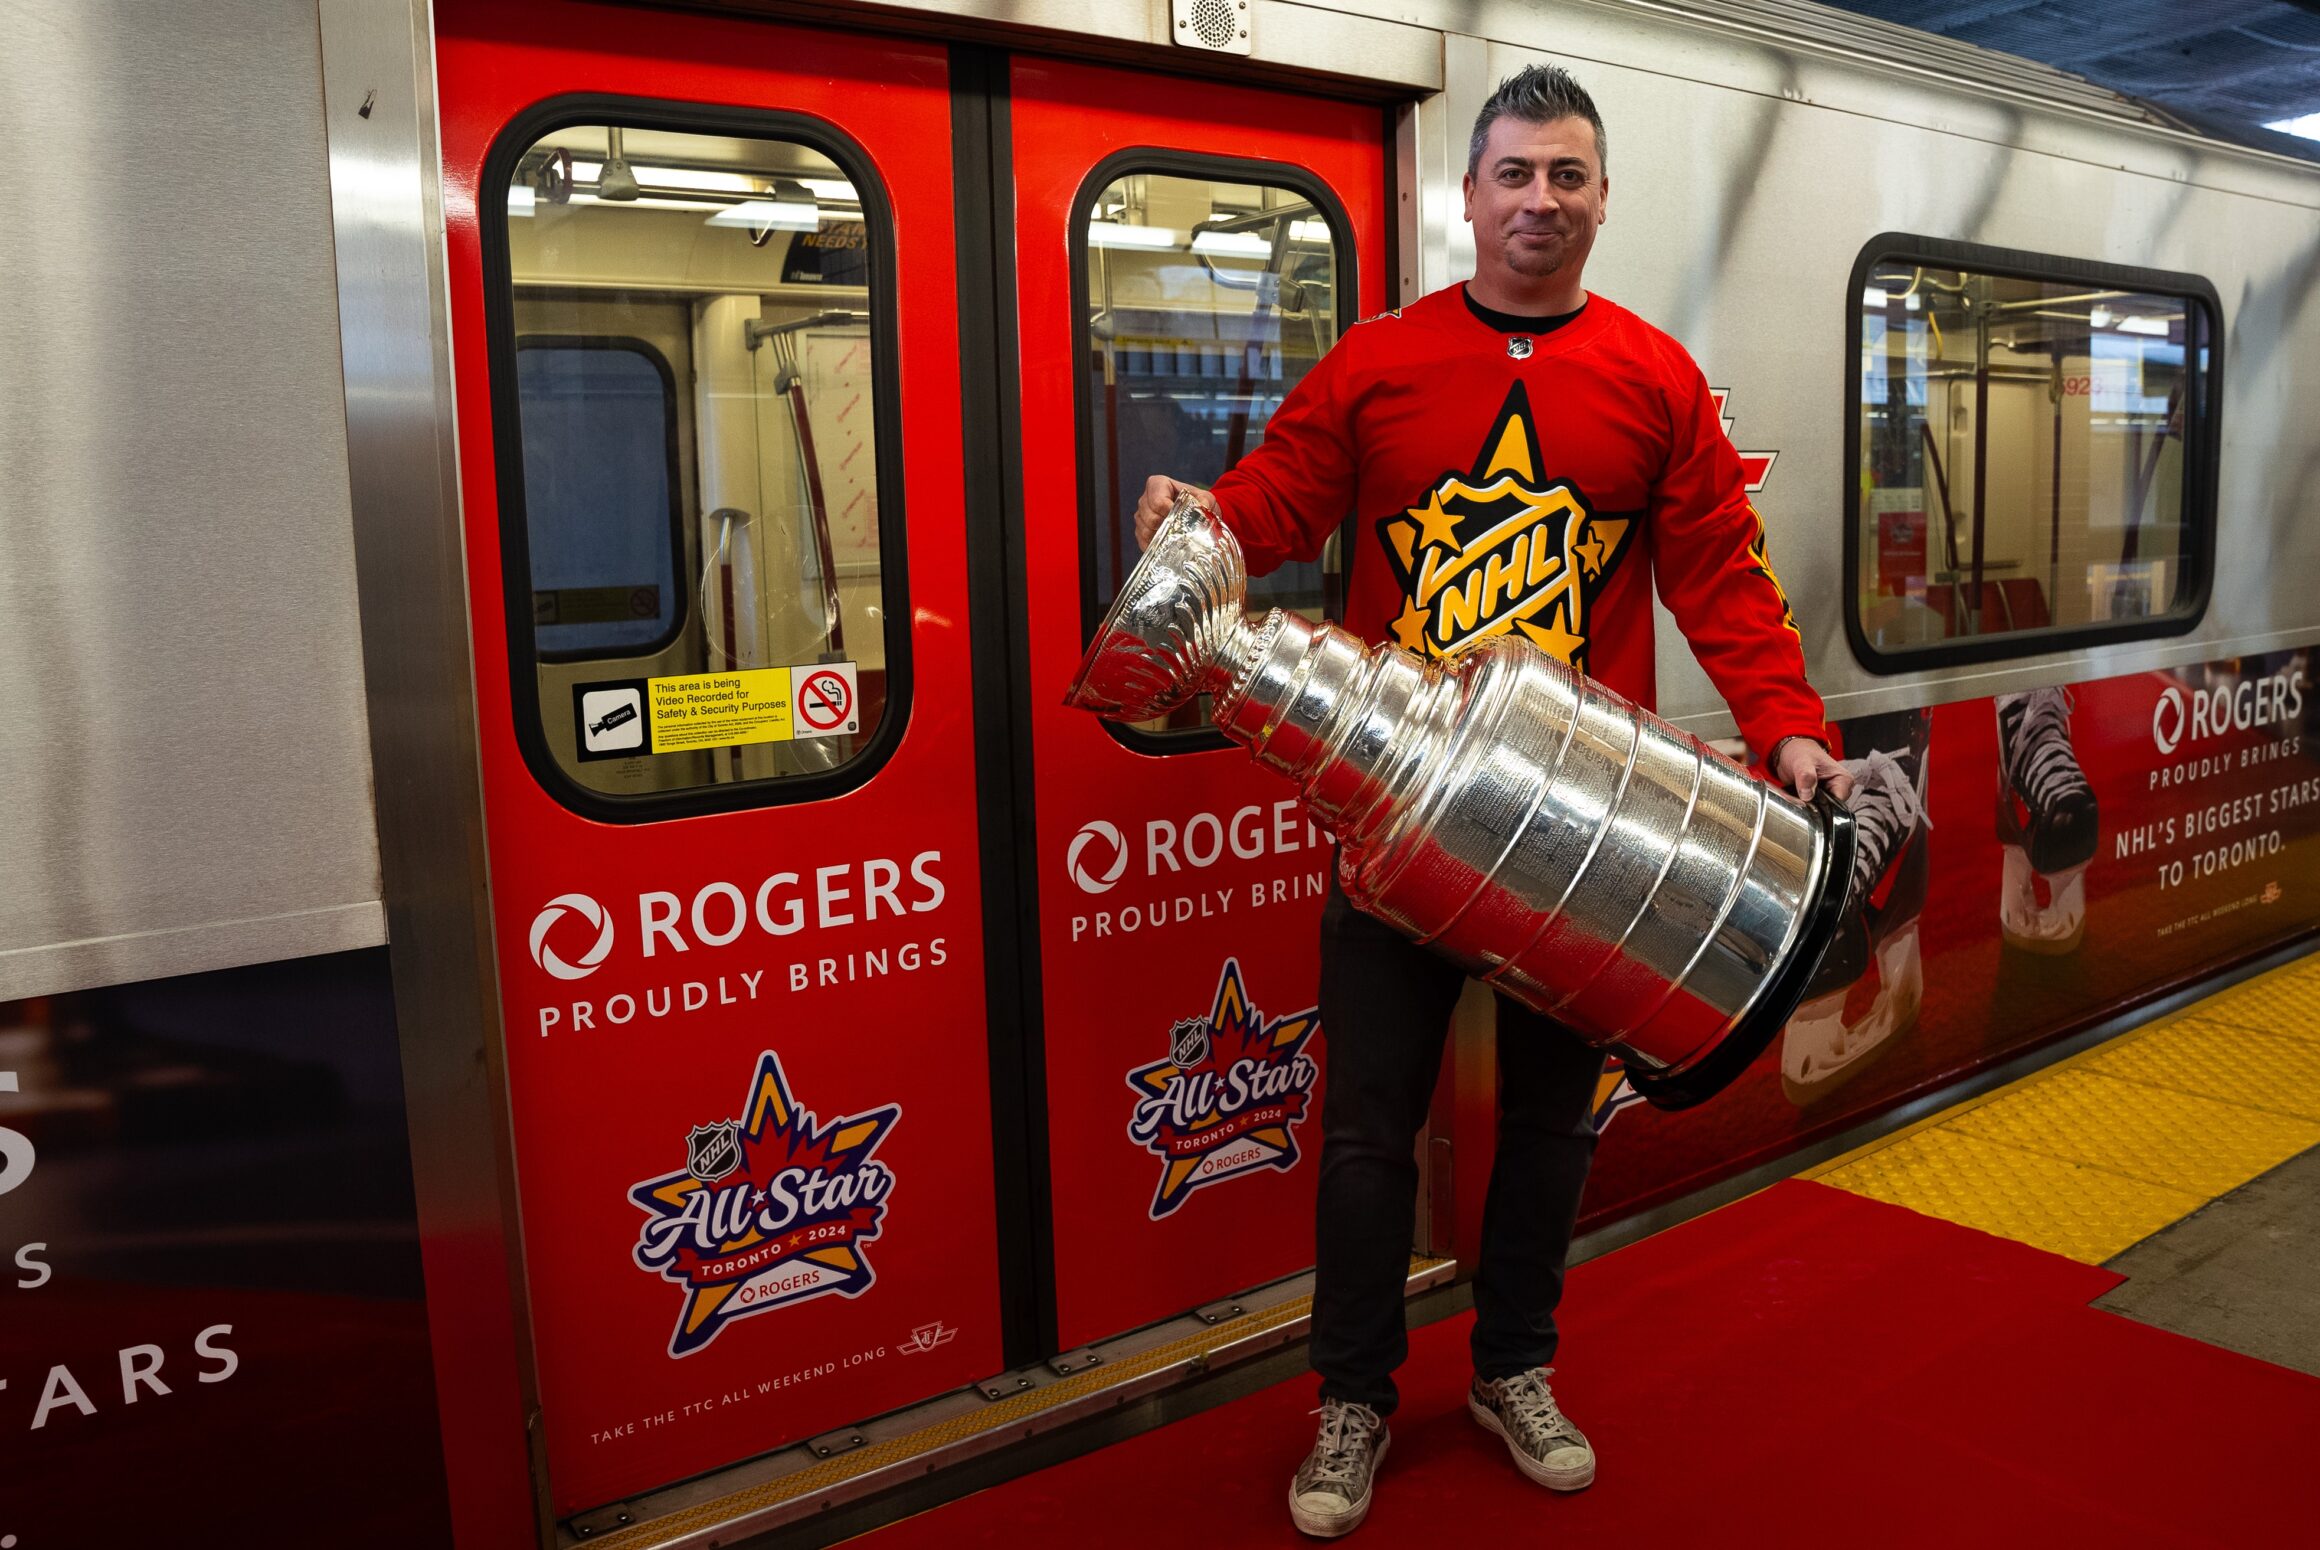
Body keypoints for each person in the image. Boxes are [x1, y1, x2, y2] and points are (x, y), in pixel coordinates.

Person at [1131, 64, 1851, 1537]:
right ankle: (1352, 1398)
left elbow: (1723, 577)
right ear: (1467, 195)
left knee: (1548, 1130)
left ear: (1603, 197)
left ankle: (1515, 1365)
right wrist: (1197, 525)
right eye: (1514, 173)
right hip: (1392, 821)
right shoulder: (1379, 364)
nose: (1539, 199)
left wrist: (1788, 729)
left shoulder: (1656, 378)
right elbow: (1275, 503)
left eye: (1566, 174)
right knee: (1365, 1136)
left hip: (1588, 835)